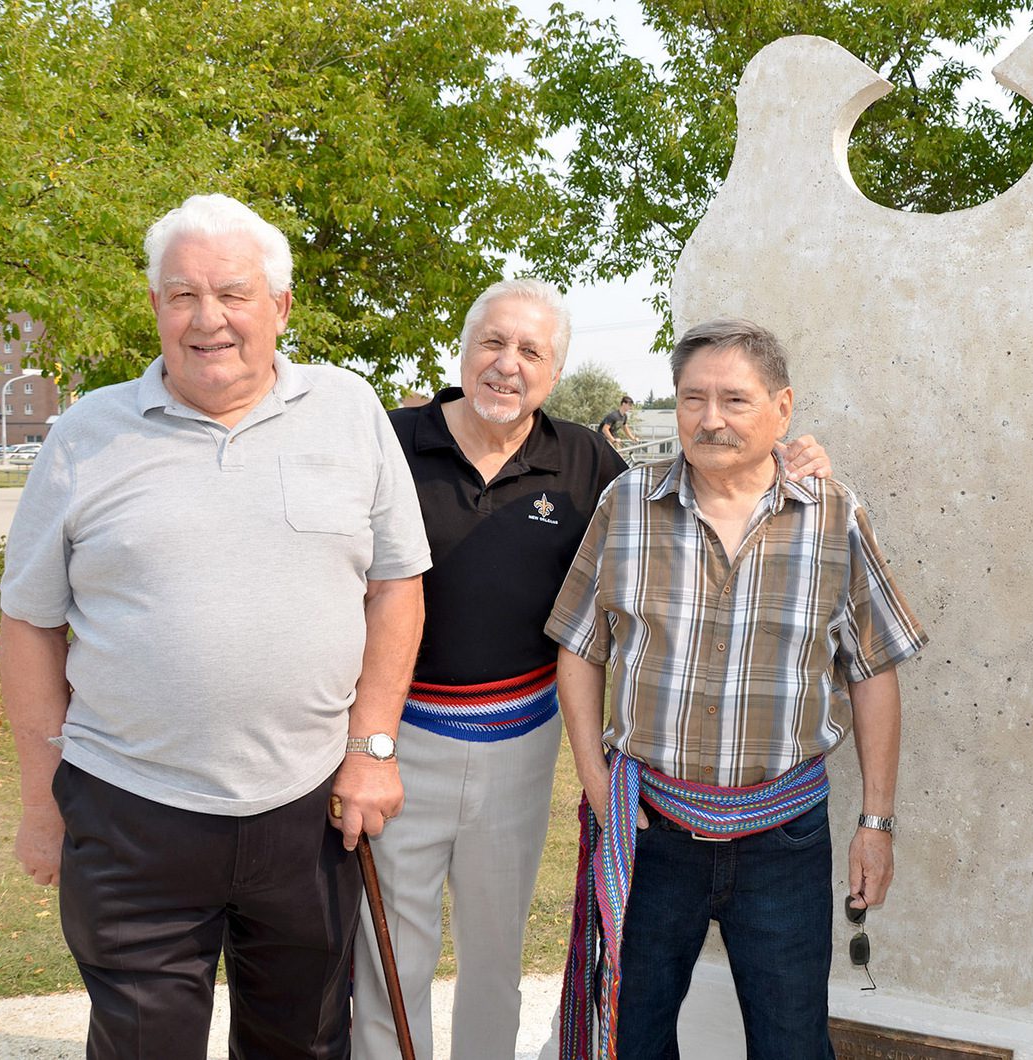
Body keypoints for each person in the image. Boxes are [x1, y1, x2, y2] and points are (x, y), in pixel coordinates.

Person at [0, 193, 429, 1058]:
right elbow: (29, 624)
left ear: (279, 306)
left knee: (303, 1043)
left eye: (232, 293)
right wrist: (45, 800)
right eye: (182, 295)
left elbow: (395, 585)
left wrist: (373, 746)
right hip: (129, 809)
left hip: (309, 805)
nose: (208, 320)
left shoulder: (349, 412)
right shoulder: (86, 435)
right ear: (155, 305)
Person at [355, 288, 834, 1060]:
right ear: (464, 344)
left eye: (532, 354)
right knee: (386, 957)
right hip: (397, 739)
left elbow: (699, 480)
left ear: (556, 371)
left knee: (495, 955)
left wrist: (786, 455)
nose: (507, 367)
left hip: (519, 743)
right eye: (492, 344)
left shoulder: (586, 463)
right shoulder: (384, 441)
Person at [546, 318, 927, 1059]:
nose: (710, 418)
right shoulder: (625, 505)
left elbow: (874, 670)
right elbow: (579, 648)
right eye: (693, 398)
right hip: (651, 831)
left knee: (792, 1043)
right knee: (632, 1035)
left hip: (784, 836)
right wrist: (596, 784)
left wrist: (876, 823)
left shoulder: (833, 515)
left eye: (734, 400)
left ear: (783, 410)